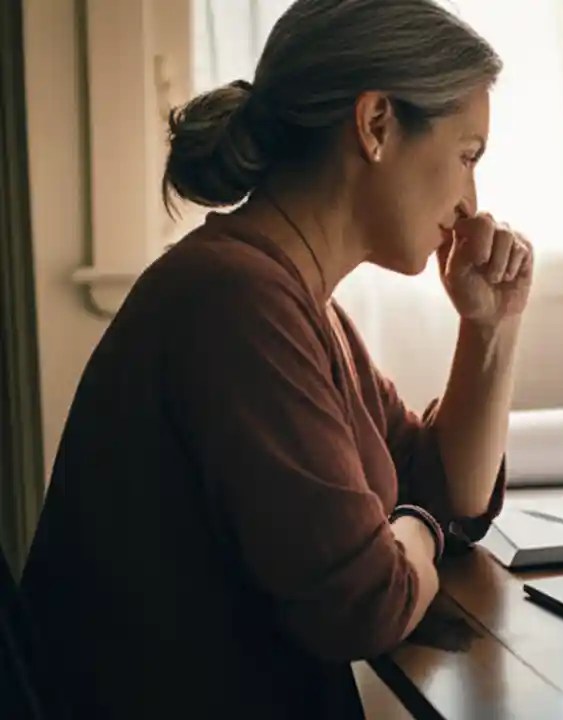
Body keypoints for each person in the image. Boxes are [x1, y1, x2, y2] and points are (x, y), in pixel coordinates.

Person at [20, 1, 525, 717]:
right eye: (467, 156)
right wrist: (418, 524)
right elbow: (367, 604)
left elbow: (448, 491)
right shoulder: (234, 302)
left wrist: (491, 325)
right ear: (376, 124)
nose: (472, 202)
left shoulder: (294, 299)